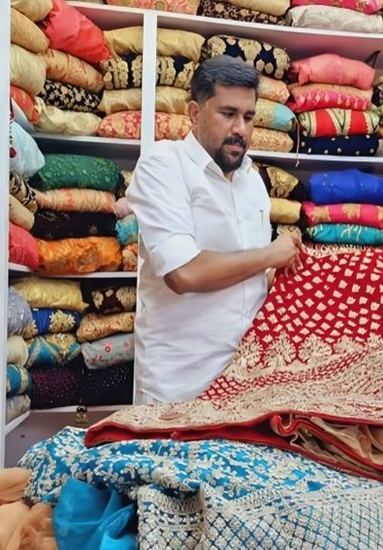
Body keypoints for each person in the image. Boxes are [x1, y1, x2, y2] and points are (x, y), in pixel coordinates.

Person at [126, 56, 304, 404]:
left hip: (246, 380)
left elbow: (246, 278)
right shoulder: (164, 165)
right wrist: (270, 254)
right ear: (195, 112)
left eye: (249, 117)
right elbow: (183, 273)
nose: (240, 128)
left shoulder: (253, 182)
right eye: (228, 114)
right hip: (179, 382)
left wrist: (283, 272)